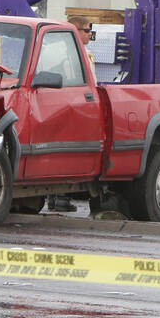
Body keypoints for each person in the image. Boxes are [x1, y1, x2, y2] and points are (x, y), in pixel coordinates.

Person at [47, 15, 96, 214]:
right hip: (73, 108)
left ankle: (59, 197)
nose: (90, 33)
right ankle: (60, 197)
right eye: (86, 29)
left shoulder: (78, 52)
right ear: (75, 31)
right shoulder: (68, 55)